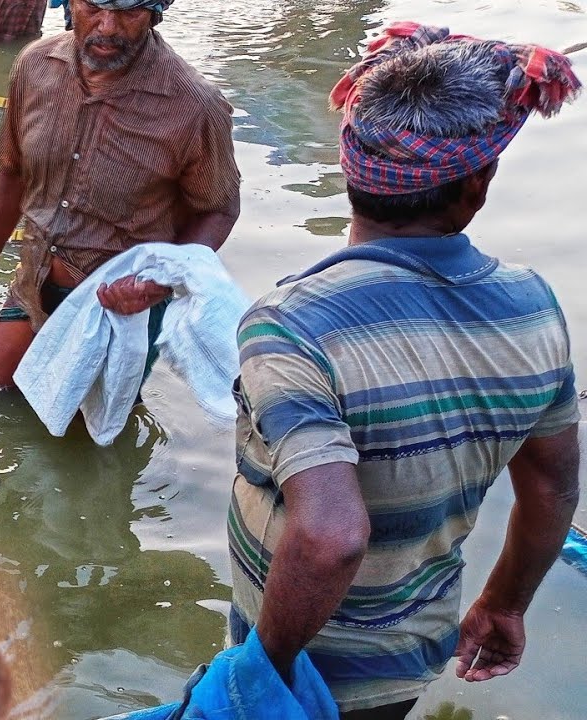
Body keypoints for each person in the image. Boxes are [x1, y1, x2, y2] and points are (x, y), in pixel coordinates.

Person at [227, 23, 582, 719]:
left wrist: (260, 675)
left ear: (346, 158)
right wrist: (507, 602)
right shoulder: (534, 306)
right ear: (478, 184)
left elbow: (330, 539)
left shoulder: (291, 325)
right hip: (409, 658)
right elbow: (552, 484)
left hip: (298, 669)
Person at [0, 0, 241, 389]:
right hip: (33, 280)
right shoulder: (35, 65)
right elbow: (11, 173)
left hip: (119, 308)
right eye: (93, 6)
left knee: (83, 437)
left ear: (154, 12)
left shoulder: (194, 105)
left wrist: (157, 283)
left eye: (129, 12)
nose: (107, 27)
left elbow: (219, 209)